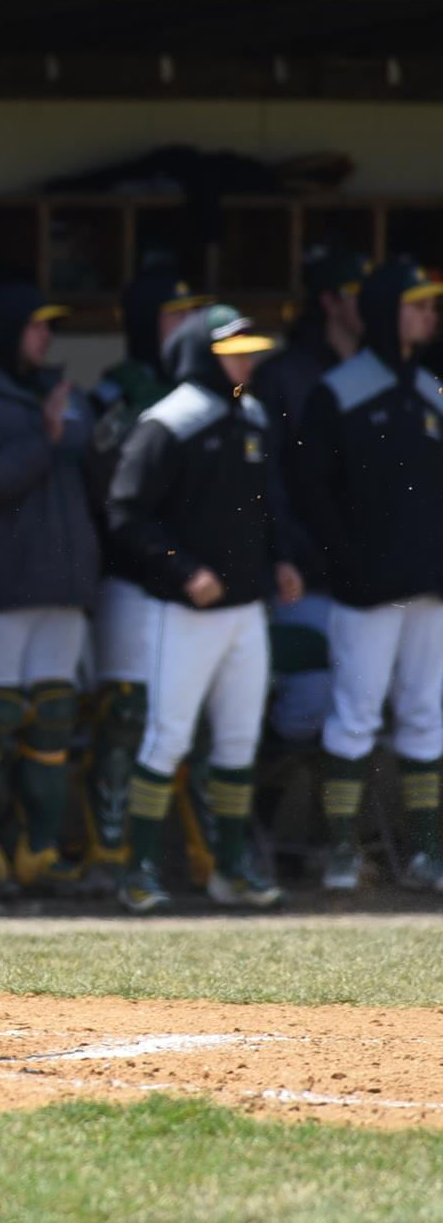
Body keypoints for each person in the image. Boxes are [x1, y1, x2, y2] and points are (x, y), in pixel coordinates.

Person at [106, 306, 300, 912]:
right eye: (232, 350)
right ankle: (137, 872)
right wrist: (184, 567)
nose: (246, 361)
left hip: (246, 611)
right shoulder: (169, 422)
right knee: (167, 740)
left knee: (240, 742)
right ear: (200, 354)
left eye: (250, 349)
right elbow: (125, 512)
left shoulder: (254, 415)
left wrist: (283, 559)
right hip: (183, 613)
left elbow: (269, 506)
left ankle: (231, 869)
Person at [294, 259, 443, 894]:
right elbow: (309, 487)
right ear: (385, 309)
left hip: (431, 587)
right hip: (365, 591)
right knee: (353, 716)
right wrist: (344, 559)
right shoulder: (339, 389)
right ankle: (340, 854)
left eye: (432, 307)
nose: (427, 316)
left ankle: (426, 854)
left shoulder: (435, 388)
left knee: (426, 716)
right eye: (415, 305)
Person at [0, 285, 99, 894]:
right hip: (2, 582)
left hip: (65, 582)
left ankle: (39, 849)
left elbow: (94, 454)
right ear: (8, 331)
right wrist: (45, 436)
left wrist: (66, 428)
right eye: (36, 326)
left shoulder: (63, 392)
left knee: (54, 716)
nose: (46, 338)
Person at [80, 275, 210, 889]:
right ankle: (113, 851)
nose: (184, 324)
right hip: (131, 574)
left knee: (195, 717)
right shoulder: (118, 389)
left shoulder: (211, 391)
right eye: (171, 313)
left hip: (196, 582)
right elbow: (103, 485)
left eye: (192, 312)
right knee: (126, 713)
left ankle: (194, 851)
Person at [252, 247, 369, 888]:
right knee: (305, 709)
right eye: (355, 293)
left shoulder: (388, 374)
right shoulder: (283, 376)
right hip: (308, 575)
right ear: (330, 301)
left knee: (364, 712)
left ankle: (348, 846)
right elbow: (270, 479)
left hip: (377, 584)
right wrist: (284, 554)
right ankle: (259, 831)